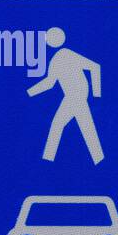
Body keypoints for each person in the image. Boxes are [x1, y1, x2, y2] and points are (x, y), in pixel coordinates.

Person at [27, 27, 104, 164]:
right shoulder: (56, 59)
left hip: (76, 96)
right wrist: (30, 92)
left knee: (59, 125)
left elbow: (95, 67)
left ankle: (47, 160)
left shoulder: (65, 54)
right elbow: (50, 83)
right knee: (85, 127)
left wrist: (96, 94)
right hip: (73, 96)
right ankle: (99, 159)